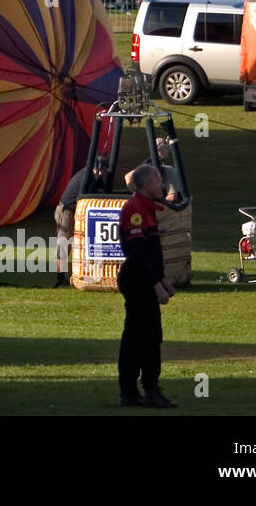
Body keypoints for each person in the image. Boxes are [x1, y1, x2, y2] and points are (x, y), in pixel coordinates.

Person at [117, 165, 177, 408]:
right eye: (156, 181)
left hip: (144, 279)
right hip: (138, 281)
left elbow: (149, 254)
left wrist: (161, 278)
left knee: (135, 335)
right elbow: (138, 253)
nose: (161, 185)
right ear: (143, 186)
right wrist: (156, 285)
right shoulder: (136, 210)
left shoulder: (147, 209)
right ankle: (149, 390)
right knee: (149, 336)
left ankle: (130, 392)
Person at [53, 155, 109, 287]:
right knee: (64, 244)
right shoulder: (87, 177)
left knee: (77, 244)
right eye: (105, 169)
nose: (106, 172)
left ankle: (78, 274)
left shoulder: (96, 177)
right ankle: (60, 279)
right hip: (67, 211)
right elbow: (81, 198)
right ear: (98, 168)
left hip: (75, 211)